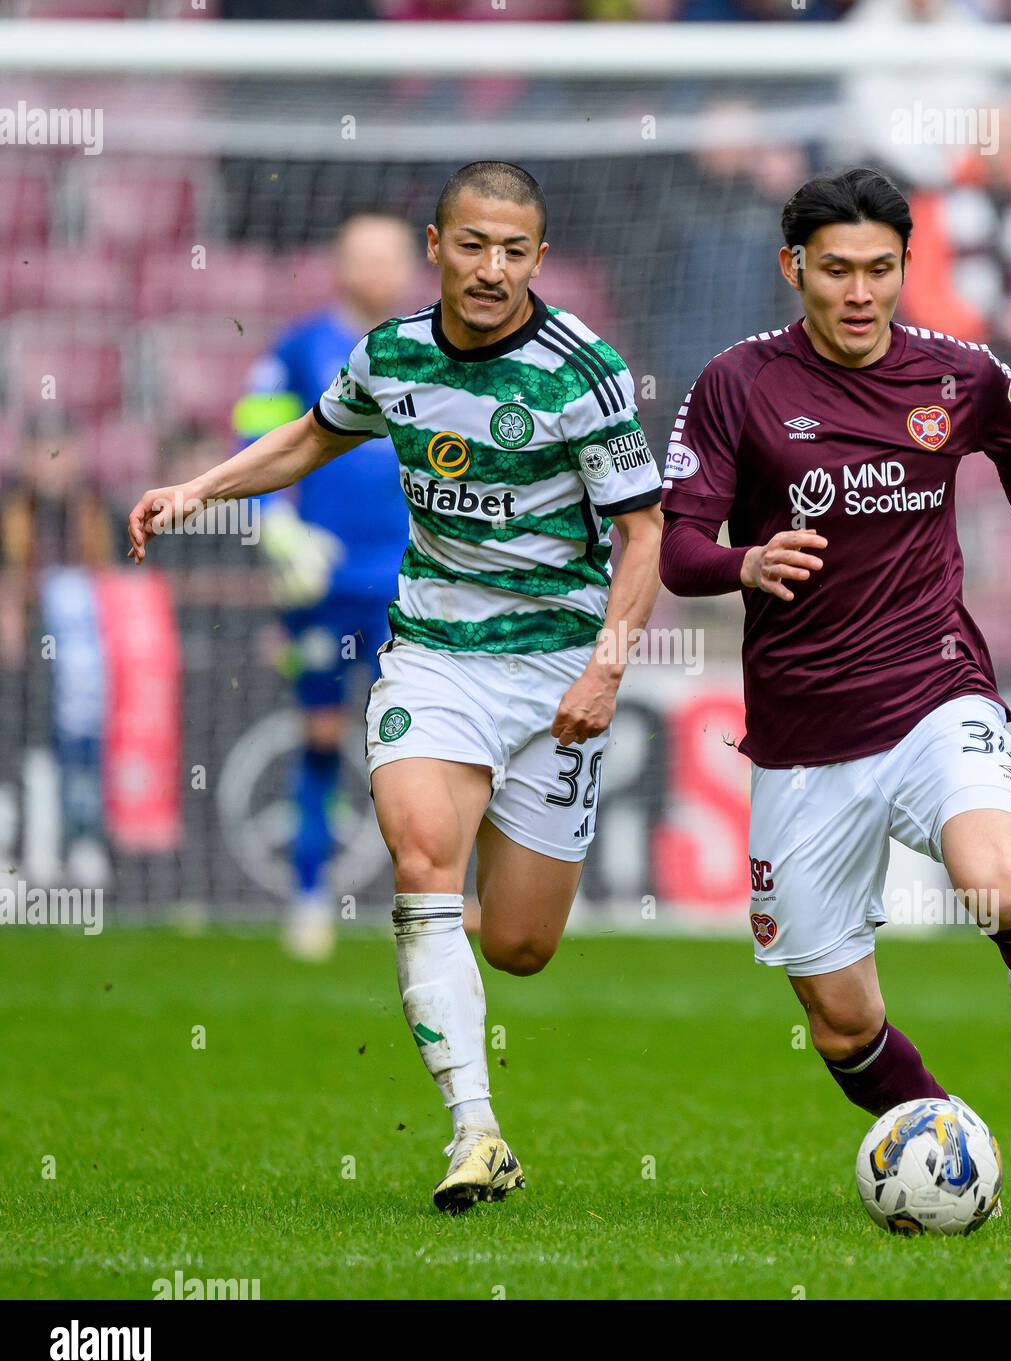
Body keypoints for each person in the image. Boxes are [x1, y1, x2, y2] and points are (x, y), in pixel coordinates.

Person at [128, 162, 663, 1213]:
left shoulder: (582, 371)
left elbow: (644, 531)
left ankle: (468, 983)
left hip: (558, 665)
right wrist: (197, 488)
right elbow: (310, 436)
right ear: (438, 245)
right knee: (422, 855)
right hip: (434, 651)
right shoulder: (392, 354)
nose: (491, 268)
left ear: (538, 258)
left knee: (519, 944)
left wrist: (608, 665)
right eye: (473, 245)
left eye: (513, 250)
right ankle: (476, 1132)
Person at [658, 167, 1011, 1131]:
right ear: (793, 267)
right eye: (836, 270)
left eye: (881, 268)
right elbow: (677, 551)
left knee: (995, 882)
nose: (859, 292)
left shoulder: (954, 371)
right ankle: (942, 1138)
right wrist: (744, 564)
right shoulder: (738, 383)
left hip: (934, 687)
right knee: (839, 1023)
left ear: (908, 266)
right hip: (801, 732)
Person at [232, 213, 416, 962]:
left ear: (410, 266)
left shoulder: (434, 351)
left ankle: (430, 902)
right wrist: (275, 524)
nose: (374, 270)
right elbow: (256, 440)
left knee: (418, 743)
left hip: (412, 582)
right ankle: (310, 896)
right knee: (319, 734)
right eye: (360, 256)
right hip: (323, 580)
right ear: (339, 264)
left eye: (387, 257)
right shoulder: (300, 347)